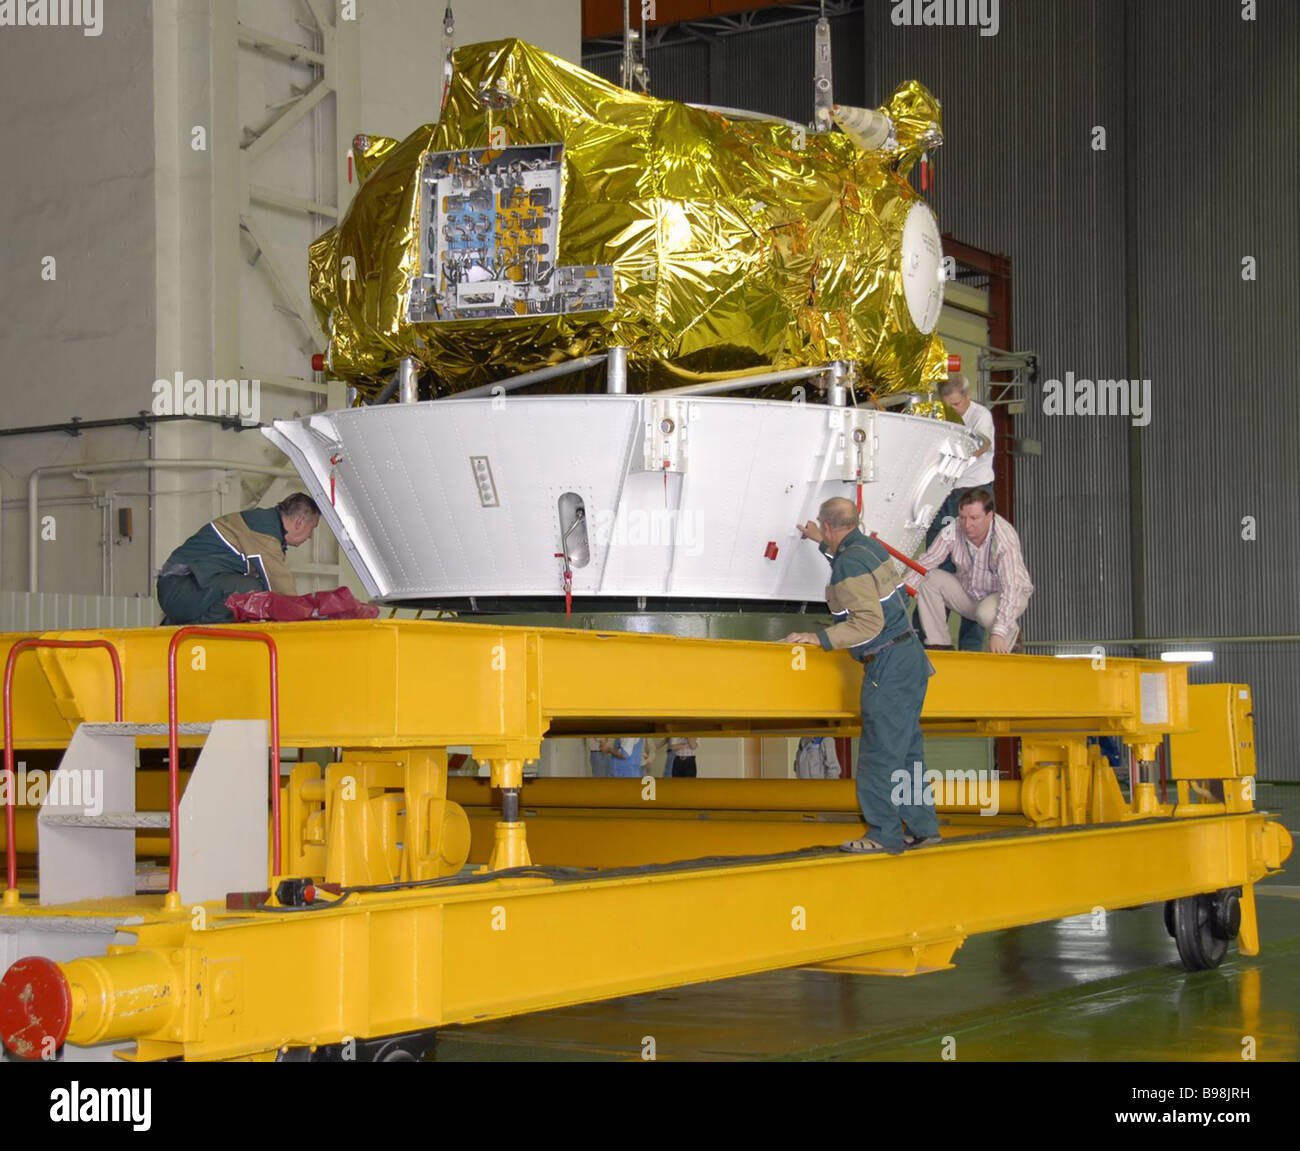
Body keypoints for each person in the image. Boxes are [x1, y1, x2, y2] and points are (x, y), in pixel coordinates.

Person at [782, 497, 939, 854]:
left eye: (823, 528)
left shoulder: (849, 562)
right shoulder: (869, 548)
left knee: (880, 753)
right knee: (907, 751)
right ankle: (923, 827)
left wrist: (820, 638)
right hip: (910, 658)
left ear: (829, 525)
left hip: (887, 663)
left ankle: (883, 834)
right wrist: (820, 542)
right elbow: (854, 567)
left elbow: (868, 622)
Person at [156, 493, 321, 625]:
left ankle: (183, 622)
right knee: (253, 591)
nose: (310, 536)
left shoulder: (265, 524)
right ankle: (195, 628)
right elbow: (280, 583)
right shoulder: (264, 532)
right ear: (299, 522)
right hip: (177, 588)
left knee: (254, 590)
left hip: (187, 587)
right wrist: (303, 622)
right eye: (312, 528)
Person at [906, 488, 1033, 654]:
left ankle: (1011, 639)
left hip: (1008, 596)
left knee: (986, 613)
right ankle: (940, 646)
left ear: (989, 516)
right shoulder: (952, 530)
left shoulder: (1004, 540)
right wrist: (901, 591)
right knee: (928, 578)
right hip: (971, 594)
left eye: (974, 518)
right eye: (963, 517)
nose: (967, 524)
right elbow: (926, 562)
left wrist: (998, 632)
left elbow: (1011, 589)